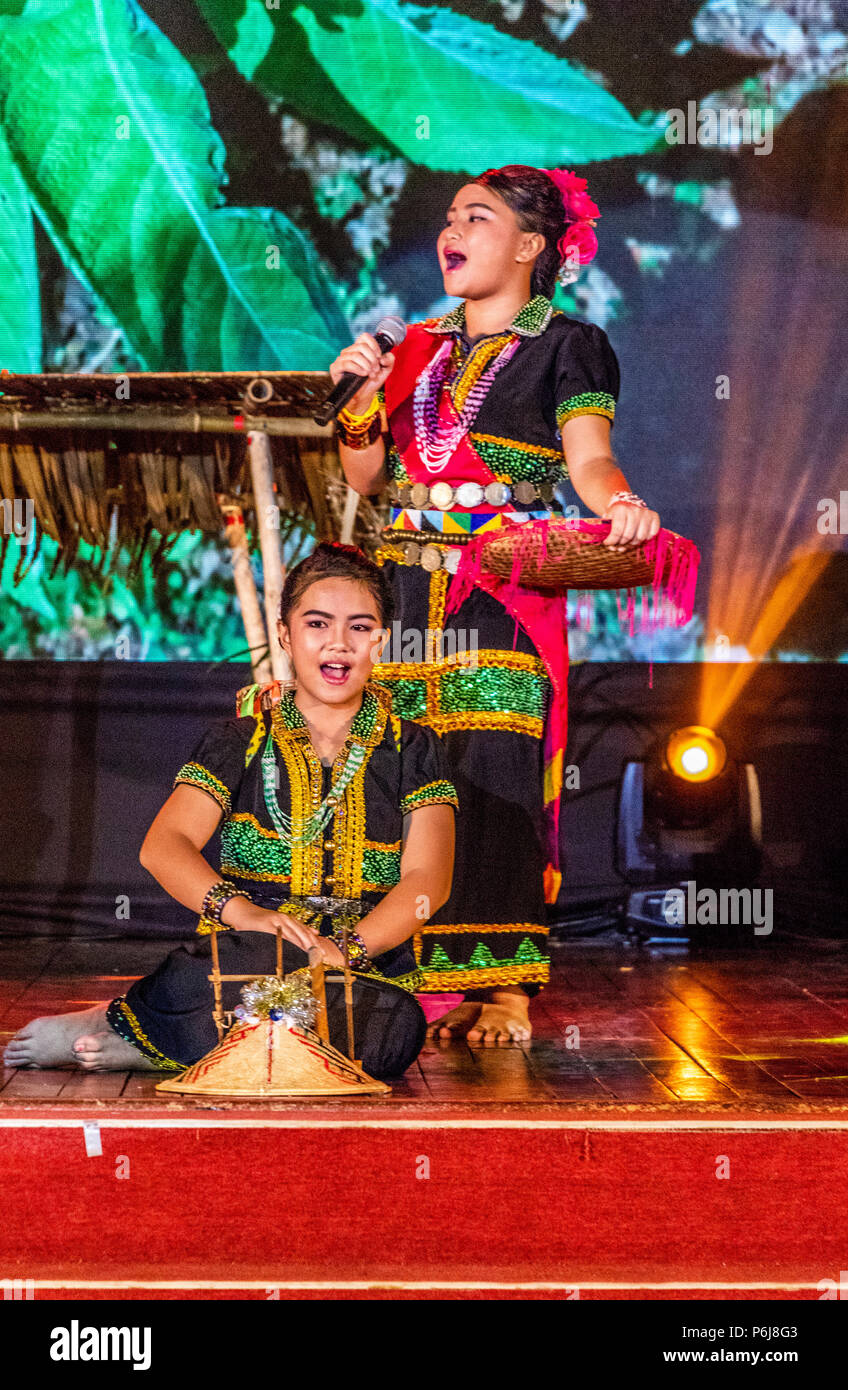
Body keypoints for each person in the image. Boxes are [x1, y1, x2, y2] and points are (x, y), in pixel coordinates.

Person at [330, 164, 661, 1044]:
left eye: (476, 217)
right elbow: (363, 476)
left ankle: (501, 988)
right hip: (399, 592)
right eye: (448, 217)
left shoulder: (570, 343)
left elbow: (588, 458)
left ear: (528, 246)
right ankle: (390, 965)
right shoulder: (413, 349)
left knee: (492, 782)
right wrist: (361, 402)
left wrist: (618, 503)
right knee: (398, 780)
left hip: (499, 593)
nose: (452, 229)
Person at [3, 543, 457, 1080]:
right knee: (226, 975)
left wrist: (343, 951)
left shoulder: (414, 748)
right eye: (318, 624)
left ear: (381, 639)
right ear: (286, 634)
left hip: (358, 971)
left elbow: (430, 879)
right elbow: (164, 846)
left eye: (360, 627)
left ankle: (153, 1038)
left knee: (393, 1035)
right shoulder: (237, 739)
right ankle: (138, 1025)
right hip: (248, 954)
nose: (338, 643)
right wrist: (250, 917)